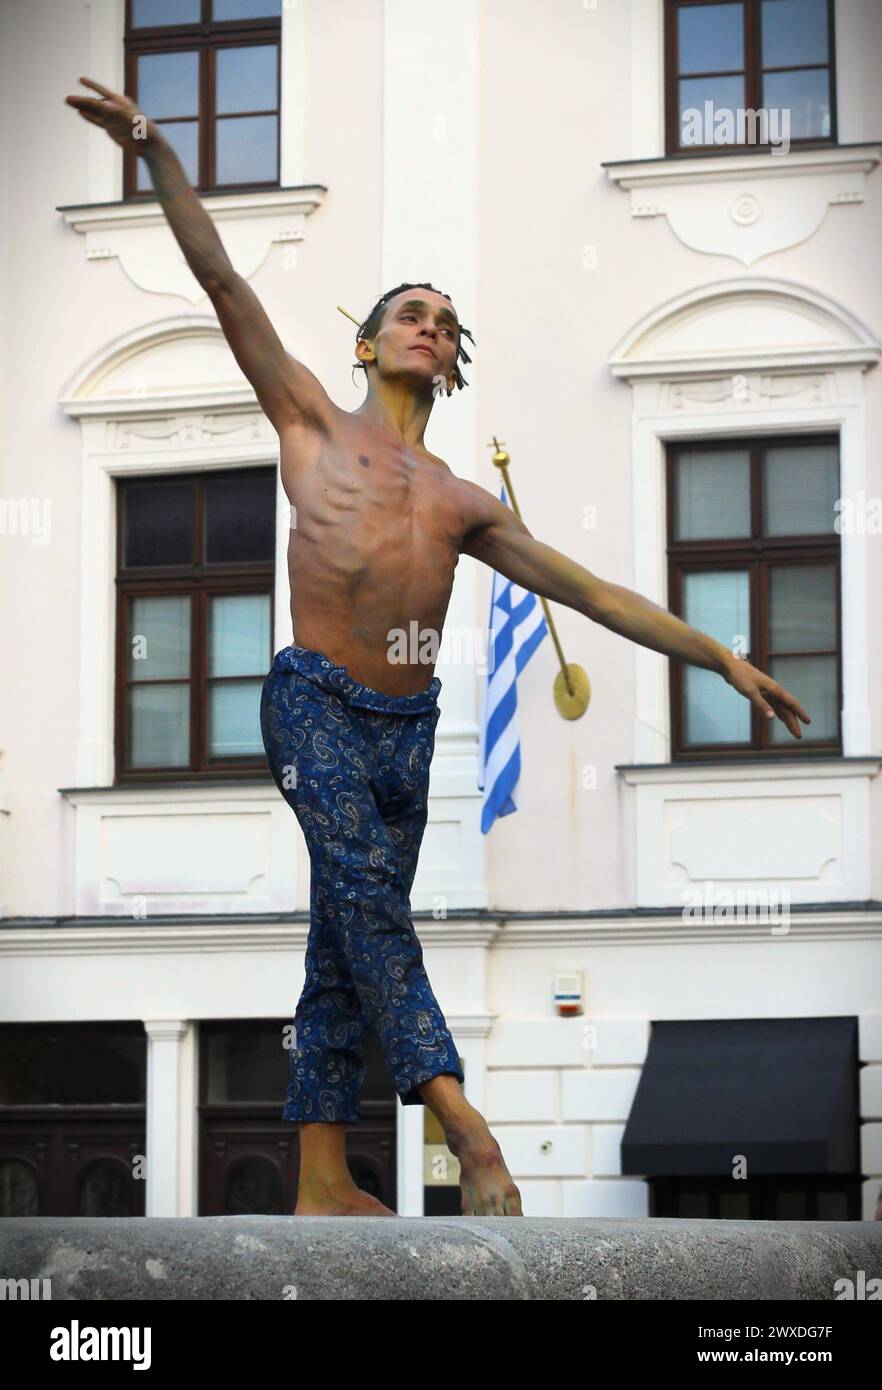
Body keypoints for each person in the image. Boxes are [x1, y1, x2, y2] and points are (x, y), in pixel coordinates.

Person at [66, 77, 812, 1219]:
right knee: (371, 897)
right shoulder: (311, 424)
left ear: (454, 362)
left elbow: (597, 589)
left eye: (447, 323)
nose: (433, 327)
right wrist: (154, 147)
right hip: (311, 699)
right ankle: (461, 1114)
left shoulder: (464, 501)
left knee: (340, 944)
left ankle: (321, 1177)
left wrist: (719, 655)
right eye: (414, 313)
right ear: (367, 344)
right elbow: (221, 278)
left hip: (408, 735)